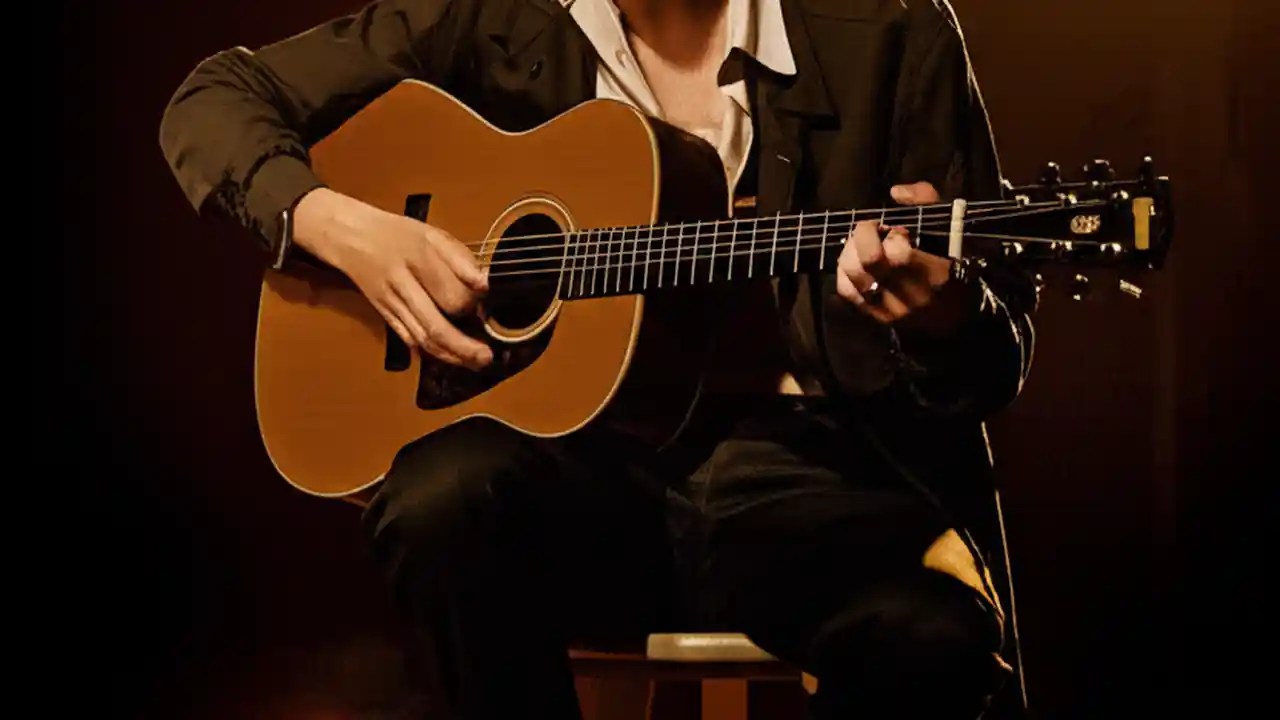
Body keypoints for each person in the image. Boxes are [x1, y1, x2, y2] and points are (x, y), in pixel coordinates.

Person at [159, 0, 1036, 717]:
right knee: (438, 500)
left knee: (934, 639)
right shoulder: (496, 18)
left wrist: (941, 314)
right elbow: (213, 99)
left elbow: (990, 367)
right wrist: (344, 228)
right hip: (588, 491)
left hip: (807, 496)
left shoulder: (892, 30)